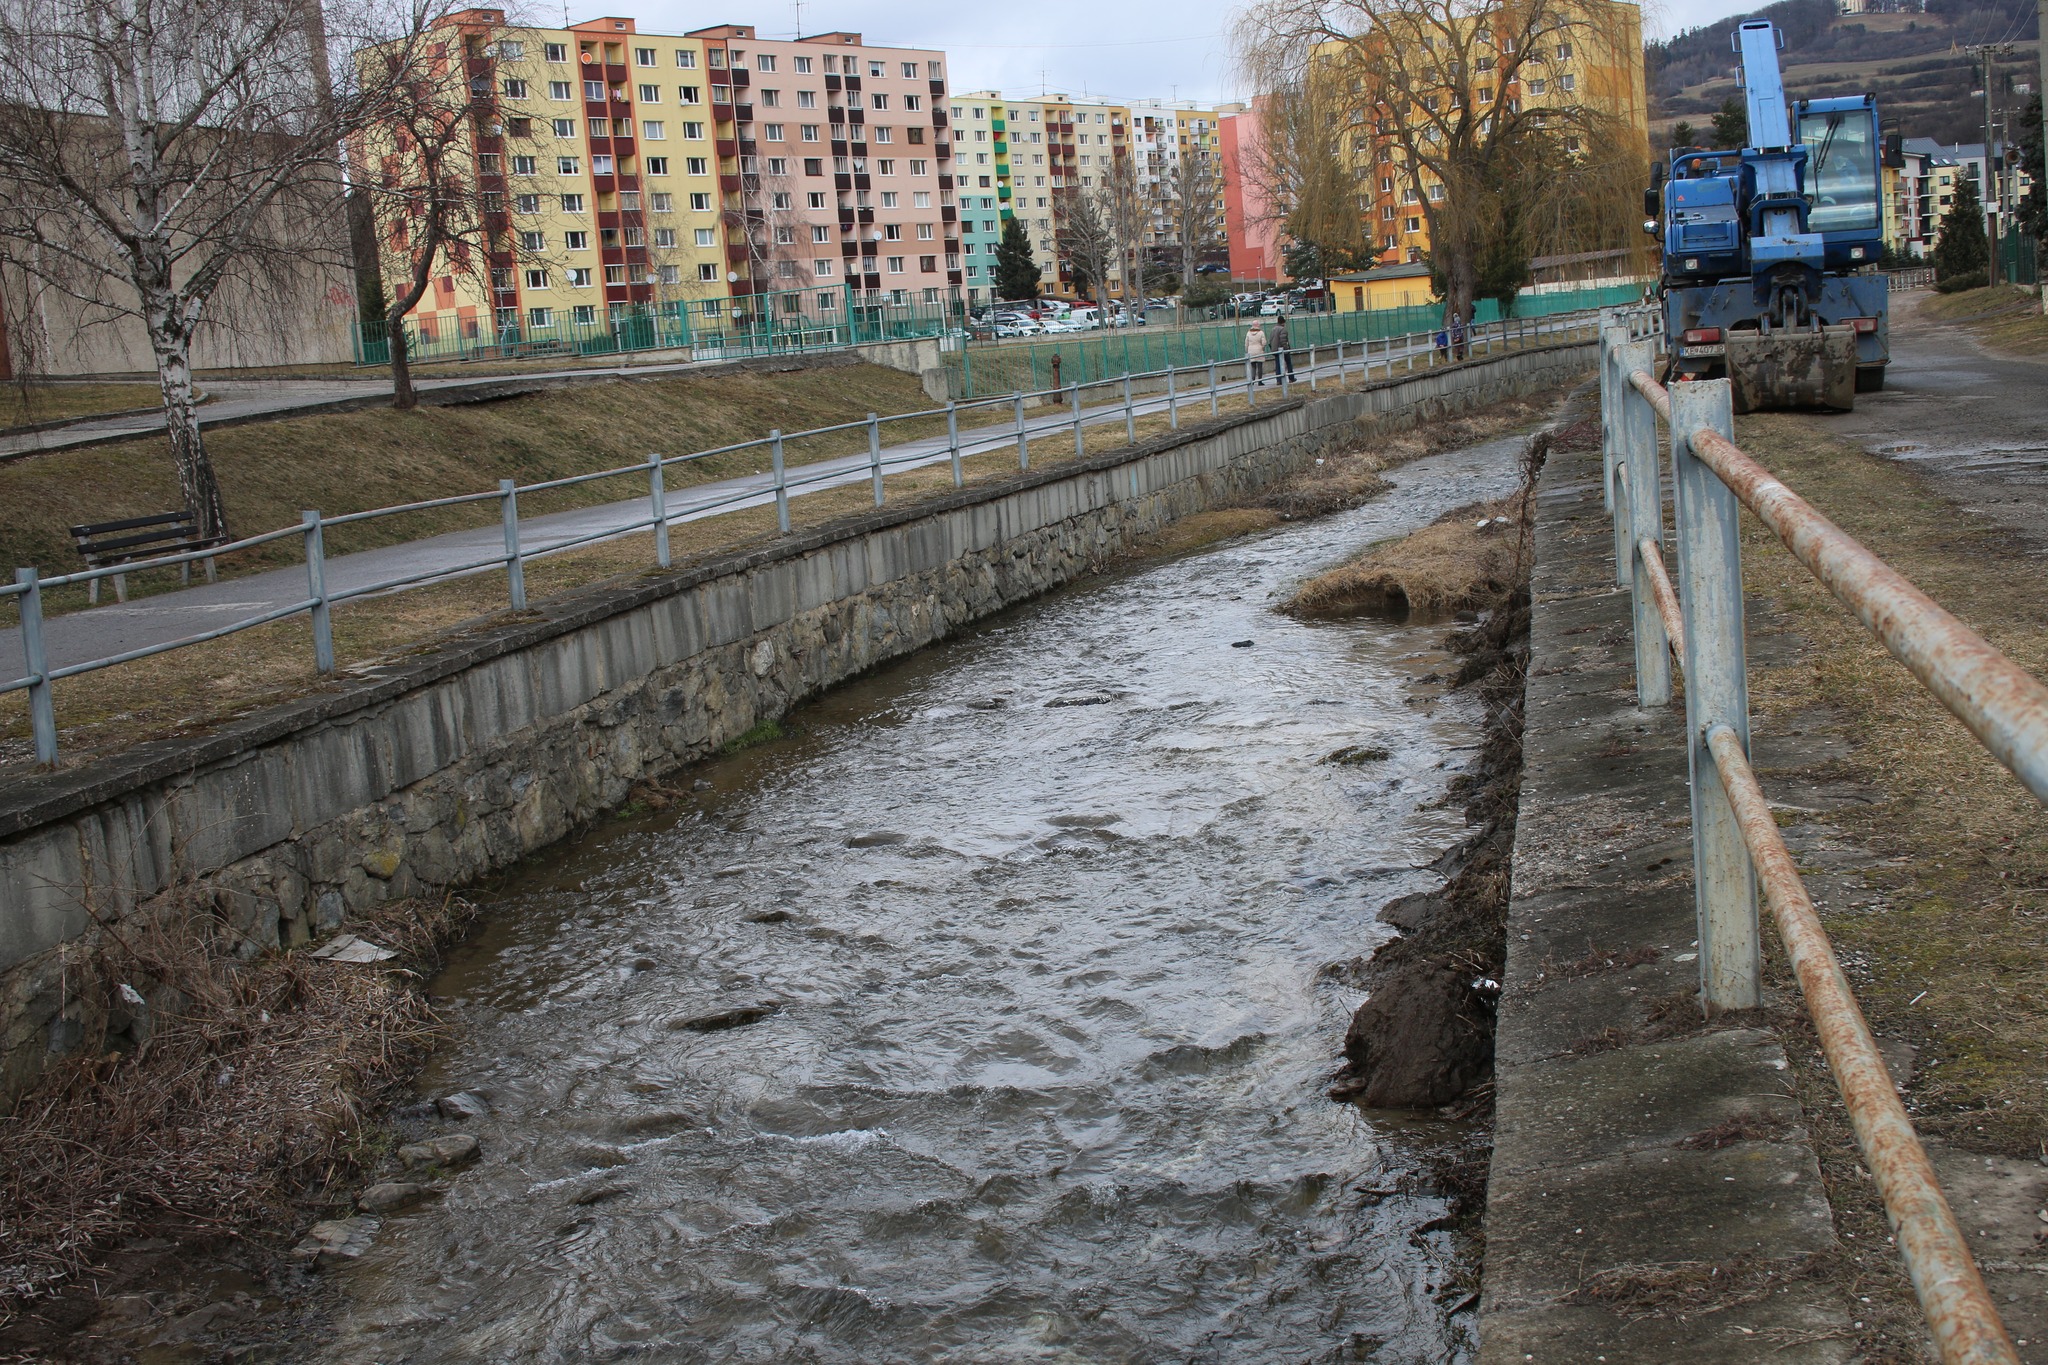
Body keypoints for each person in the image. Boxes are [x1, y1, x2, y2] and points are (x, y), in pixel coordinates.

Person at [1273, 316, 1296, 382]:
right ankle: (1291, 378)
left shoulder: (1273, 329)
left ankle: (1279, 380)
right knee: (1288, 363)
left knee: (1278, 365)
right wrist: (1287, 348)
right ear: (1283, 322)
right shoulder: (1283, 329)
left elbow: (1271, 340)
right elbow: (1283, 341)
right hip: (1282, 350)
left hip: (1275, 349)